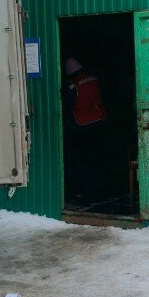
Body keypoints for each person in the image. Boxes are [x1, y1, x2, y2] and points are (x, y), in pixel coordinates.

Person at [62, 58, 108, 199]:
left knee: (82, 156)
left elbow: (67, 104)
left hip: (82, 123)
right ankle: (100, 183)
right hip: (100, 119)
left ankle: (84, 186)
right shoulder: (94, 78)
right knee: (98, 155)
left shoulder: (72, 84)